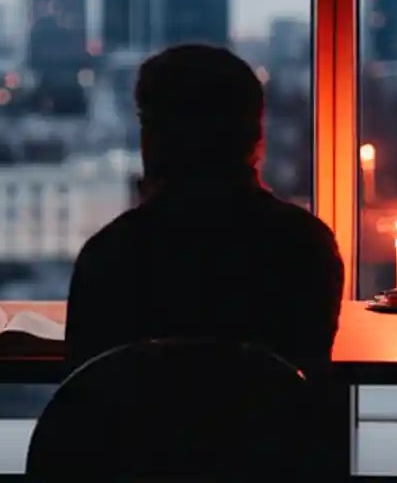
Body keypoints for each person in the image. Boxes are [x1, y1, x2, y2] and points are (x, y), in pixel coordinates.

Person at [65, 44, 344, 378]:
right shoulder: (305, 248)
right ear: (254, 135)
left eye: (146, 123)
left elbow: (86, 389)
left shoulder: (109, 257)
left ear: (156, 138)